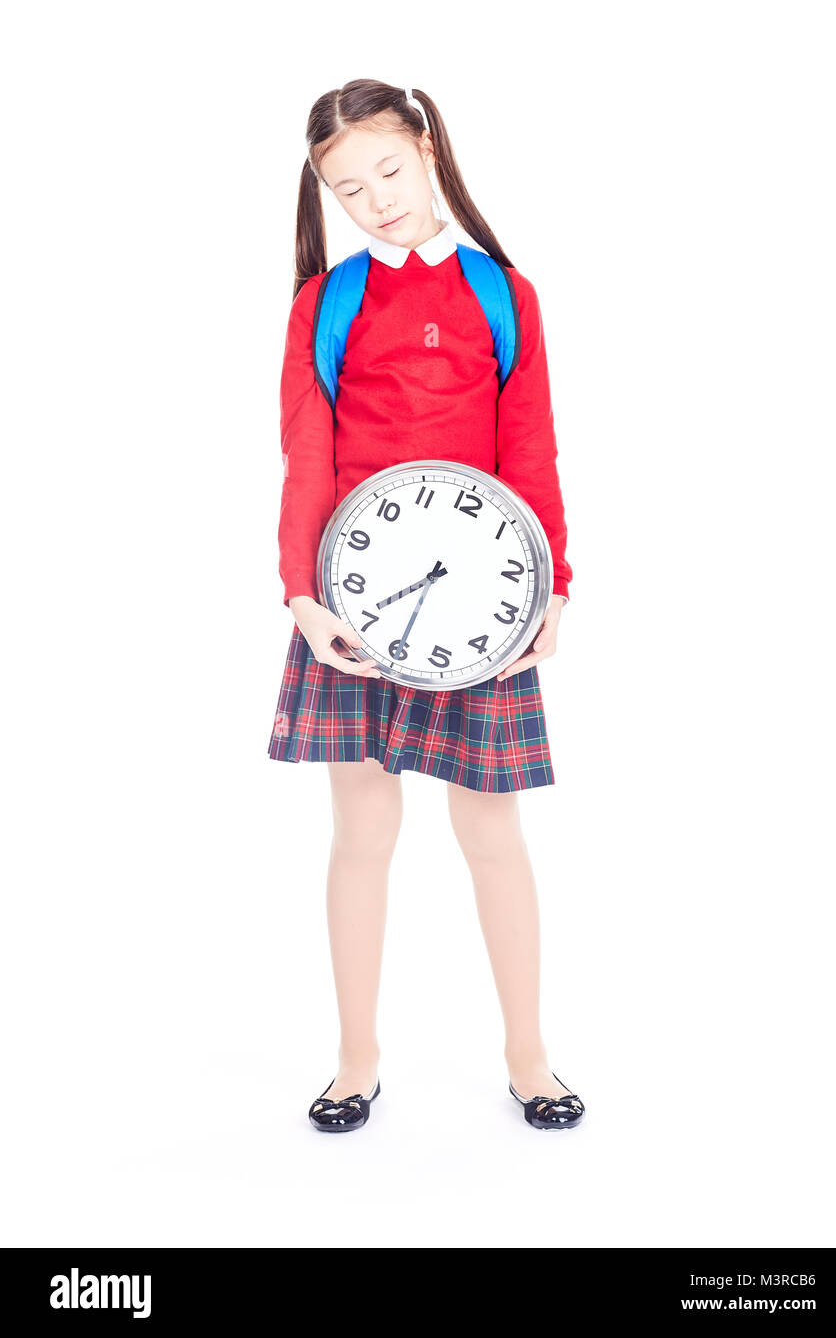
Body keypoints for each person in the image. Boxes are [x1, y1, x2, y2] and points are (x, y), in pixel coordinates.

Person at [268, 79, 585, 1133]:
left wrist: (552, 589)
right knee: (359, 830)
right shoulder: (328, 302)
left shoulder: (503, 294)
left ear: (426, 144)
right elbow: (306, 452)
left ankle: (529, 1056)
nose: (374, 199)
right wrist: (303, 595)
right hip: (354, 605)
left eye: (388, 171)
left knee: (490, 830)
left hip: (480, 607)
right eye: (346, 189)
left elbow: (529, 448)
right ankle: (355, 1057)